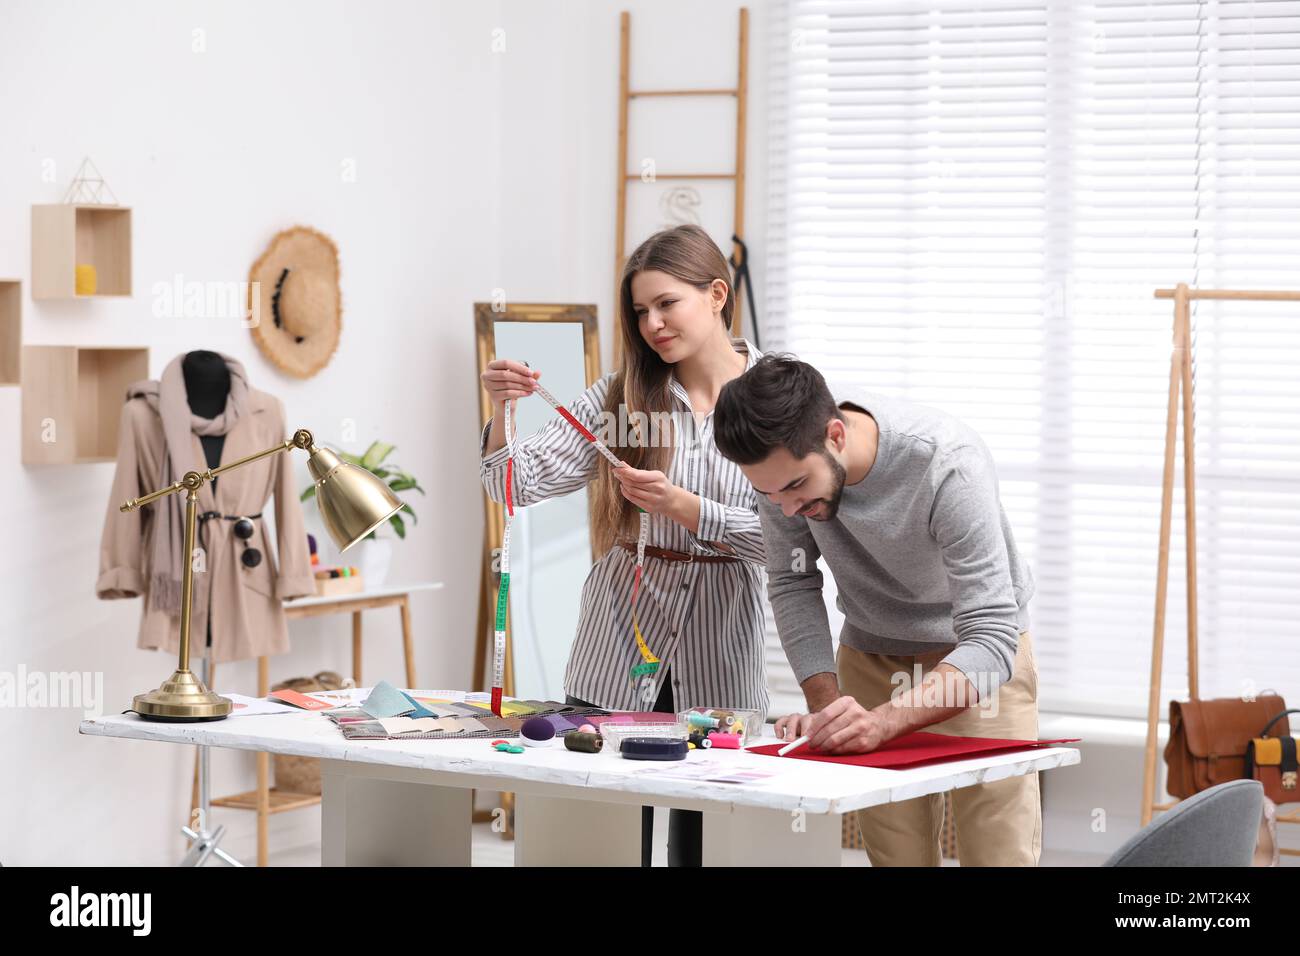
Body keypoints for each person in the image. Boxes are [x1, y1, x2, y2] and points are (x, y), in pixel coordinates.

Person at [479, 224, 768, 866]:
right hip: (619, 636)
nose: (653, 324)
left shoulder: (778, 394)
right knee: (602, 835)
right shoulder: (619, 395)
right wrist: (503, 411)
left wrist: (688, 509)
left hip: (723, 640)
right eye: (640, 311)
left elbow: (792, 540)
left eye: (668, 303)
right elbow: (511, 485)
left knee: (711, 837)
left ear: (717, 294)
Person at [713, 354, 1040, 866]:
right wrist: (826, 704)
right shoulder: (783, 480)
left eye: (797, 485)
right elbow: (793, 579)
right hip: (871, 656)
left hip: (975, 665)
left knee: (999, 855)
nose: (787, 509)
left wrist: (884, 723)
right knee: (896, 858)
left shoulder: (946, 463)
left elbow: (992, 634)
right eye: (766, 492)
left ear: (836, 436)